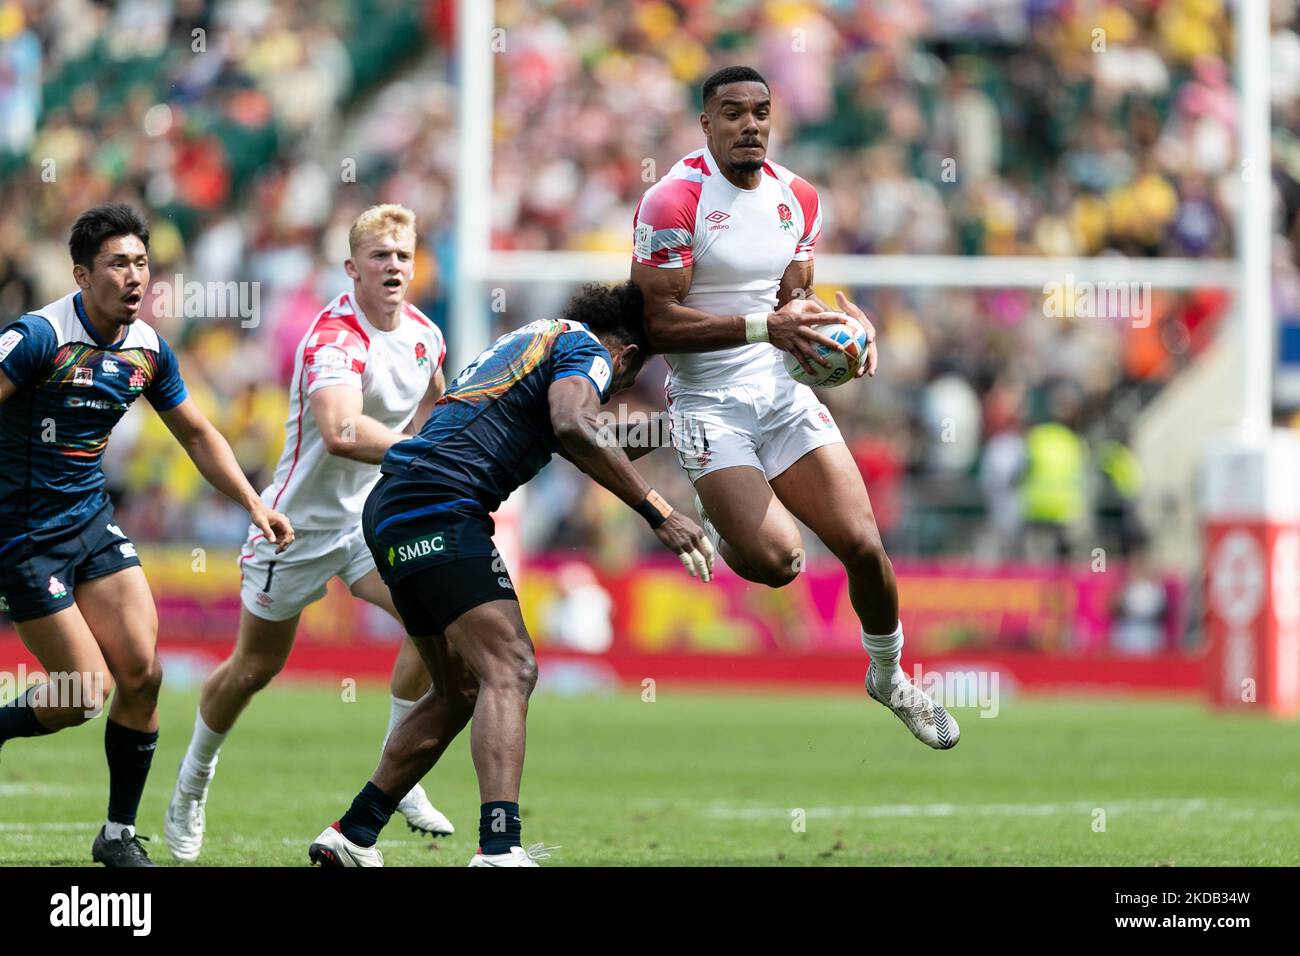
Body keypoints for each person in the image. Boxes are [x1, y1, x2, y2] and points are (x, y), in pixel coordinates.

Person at [308, 281, 713, 867]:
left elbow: (580, 437)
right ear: (623, 357)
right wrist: (661, 511)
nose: (616, 391)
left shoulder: (536, 344)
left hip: (396, 504)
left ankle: (353, 834)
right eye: (623, 382)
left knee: (459, 689)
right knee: (512, 667)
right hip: (441, 505)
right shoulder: (585, 349)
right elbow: (577, 426)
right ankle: (499, 849)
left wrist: (670, 427)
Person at [630, 66, 958, 749]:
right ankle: (732, 521)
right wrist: (762, 329)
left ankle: (889, 676)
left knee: (865, 546)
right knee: (780, 563)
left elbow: (794, 303)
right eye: (732, 113)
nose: (749, 124)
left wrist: (846, 339)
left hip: (780, 390)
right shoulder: (673, 201)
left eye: (761, 112)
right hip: (706, 402)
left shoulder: (798, 198)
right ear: (706, 124)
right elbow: (655, 323)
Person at [0, 203, 294, 866]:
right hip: (22, 537)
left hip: (91, 523)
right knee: (83, 694)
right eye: (118, 264)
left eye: (141, 263)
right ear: (82, 274)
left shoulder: (148, 348)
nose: (135, 276)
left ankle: (118, 835)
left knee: (144, 673)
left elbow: (194, 432)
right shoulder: (37, 338)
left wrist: (253, 501)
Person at [167, 204, 454, 861]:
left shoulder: (425, 334)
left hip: (366, 523)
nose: (394, 266)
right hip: (293, 528)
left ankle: (400, 772)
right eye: (380, 255)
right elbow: (342, 431)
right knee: (254, 668)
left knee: (435, 614)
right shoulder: (333, 338)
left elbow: (436, 399)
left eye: (404, 255)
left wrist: (440, 448)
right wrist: (426, 458)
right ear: (352, 268)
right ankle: (192, 783)